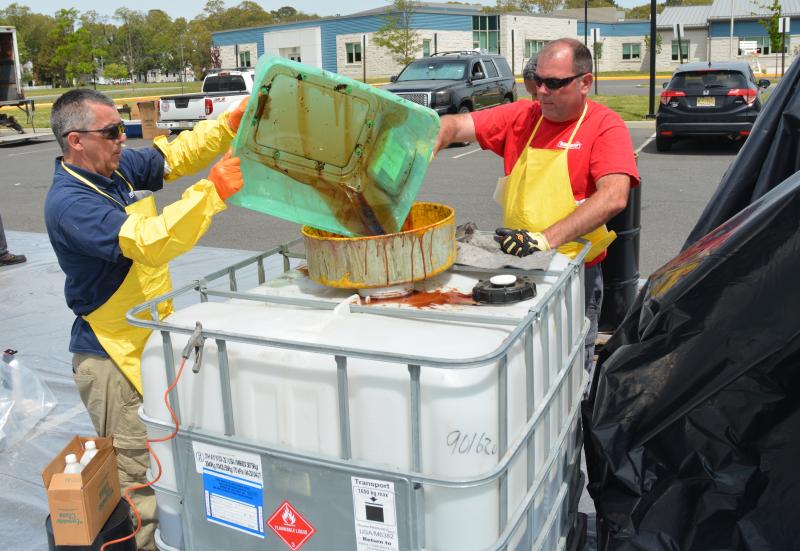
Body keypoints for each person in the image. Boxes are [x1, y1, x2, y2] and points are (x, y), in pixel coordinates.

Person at [44, 89, 247, 550]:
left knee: (170, 458)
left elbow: (171, 156)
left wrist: (227, 125)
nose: (123, 138)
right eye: (112, 131)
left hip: (149, 341)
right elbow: (150, 240)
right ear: (76, 140)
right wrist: (212, 192)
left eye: (121, 128)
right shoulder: (71, 203)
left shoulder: (111, 171)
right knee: (138, 479)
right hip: (112, 359)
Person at [434, 38, 639, 376]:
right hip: (518, 264)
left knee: (570, 365)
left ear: (585, 82)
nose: (541, 91)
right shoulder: (524, 116)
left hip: (574, 273)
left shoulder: (605, 126)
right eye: (538, 81)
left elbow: (614, 195)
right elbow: (456, 125)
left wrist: (545, 240)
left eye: (554, 83)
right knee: (525, 363)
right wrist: (435, 134)